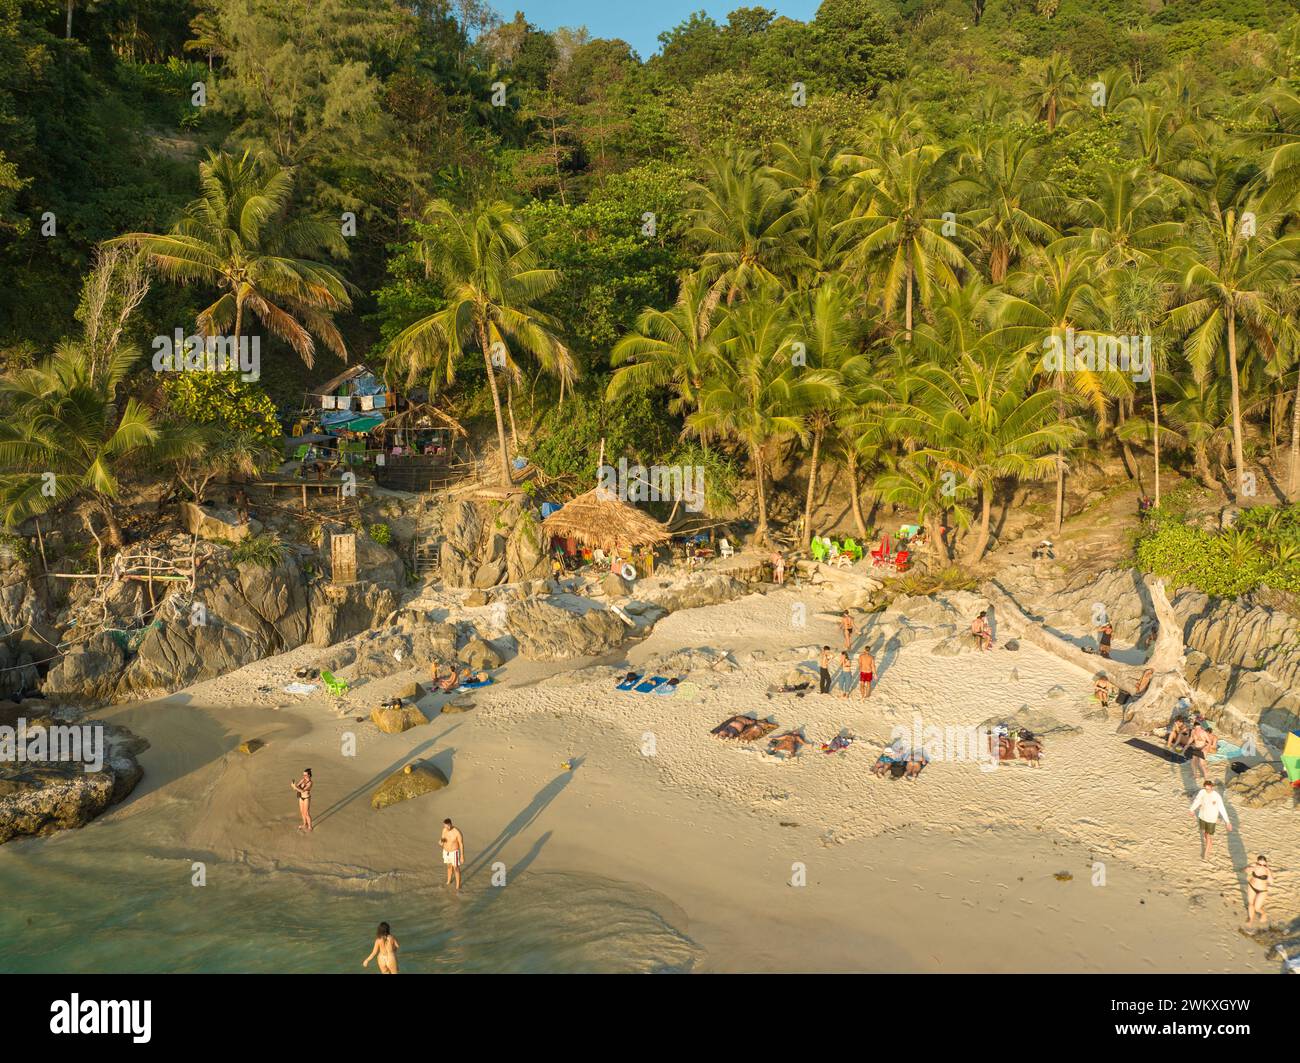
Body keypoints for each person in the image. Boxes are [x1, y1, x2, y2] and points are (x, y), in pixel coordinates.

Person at [1189, 779, 1232, 861]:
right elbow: (1197, 801)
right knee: (1205, 834)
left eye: (1209, 788)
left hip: (1211, 819)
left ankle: (1205, 854)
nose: (1207, 790)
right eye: (1206, 788)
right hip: (1202, 816)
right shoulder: (1202, 792)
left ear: (1212, 787)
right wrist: (1191, 809)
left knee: (1208, 836)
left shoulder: (1216, 796)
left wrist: (1227, 822)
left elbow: (1222, 808)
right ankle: (1210, 844)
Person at [1245, 855, 1272, 928]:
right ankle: (1251, 919)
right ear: (1257, 862)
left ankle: (1263, 914)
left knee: (1257, 908)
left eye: (1264, 864)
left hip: (1262, 890)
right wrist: (1253, 868)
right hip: (1251, 886)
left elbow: (1271, 882)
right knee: (1250, 903)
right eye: (1260, 864)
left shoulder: (1267, 869)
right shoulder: (1254, 865)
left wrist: (1268, 871)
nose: (1262, 866)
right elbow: (1246, 870)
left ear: (1266, 863)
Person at [441, 817, 464, 890]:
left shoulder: (457, 832)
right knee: (448, 866)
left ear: (450, 824)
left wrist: (462, 856)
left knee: (456, 868)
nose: (446, 827)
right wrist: (441, 842)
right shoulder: (444, 830)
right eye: (445, 826)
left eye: (447, 826)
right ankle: (448, 880)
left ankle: (458, 886)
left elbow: (461, 844)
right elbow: (443, 839)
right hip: (446, 851)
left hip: (454, 852)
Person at [292, 768, 313, 833]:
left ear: (309, 775)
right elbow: (297, 786)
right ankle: (305, 824)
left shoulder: (310, 783)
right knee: (302, 812)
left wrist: (295, 788)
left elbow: (303, 790)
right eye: (303, 775)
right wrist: (294, 785)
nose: (304, 776)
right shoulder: (302, 780)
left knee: (306, 813)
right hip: (301, 797)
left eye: (305, 775)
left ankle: (310, 826)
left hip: (306, 798)